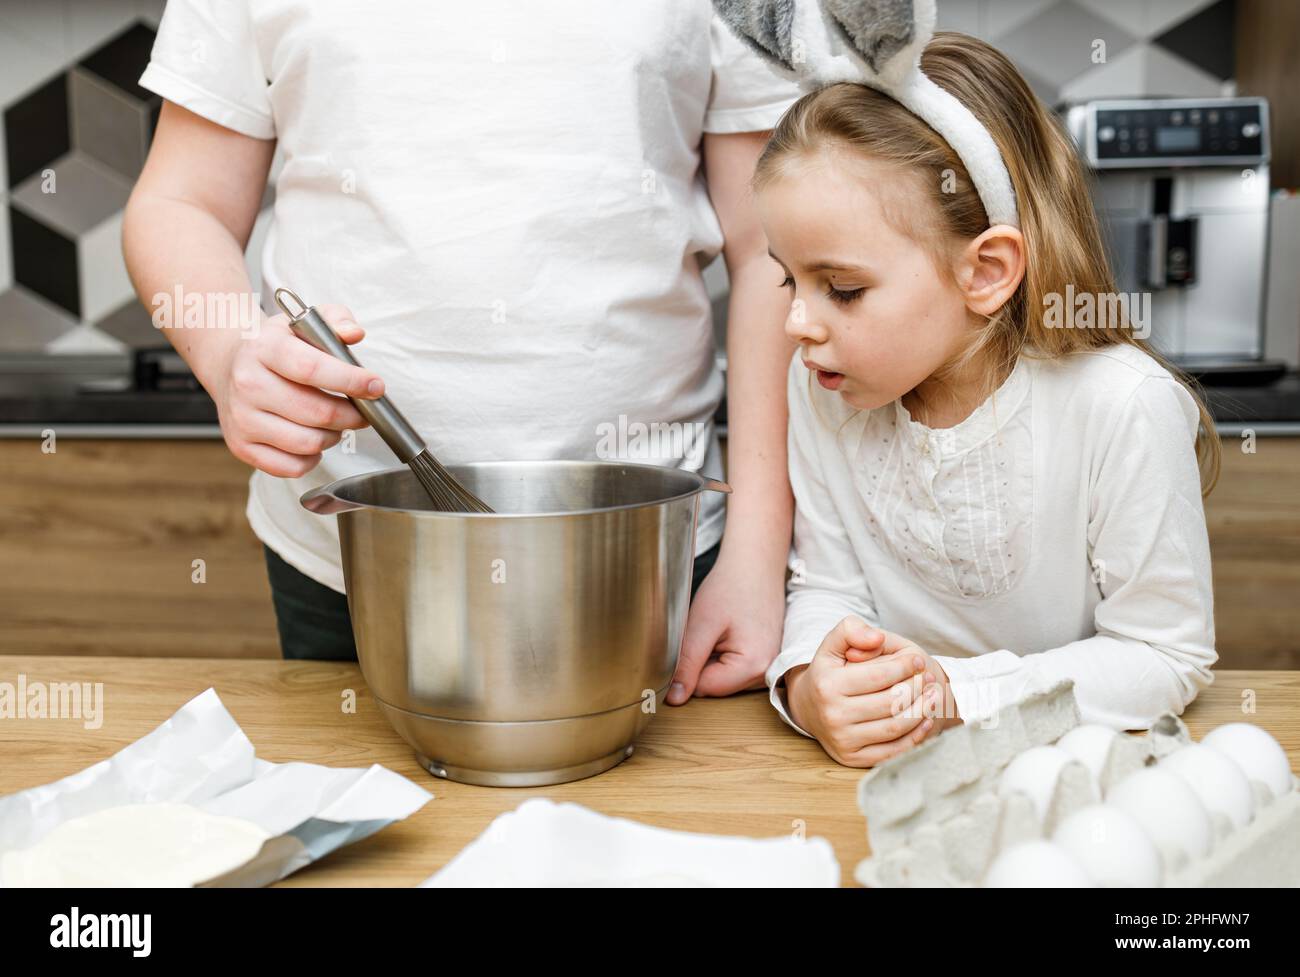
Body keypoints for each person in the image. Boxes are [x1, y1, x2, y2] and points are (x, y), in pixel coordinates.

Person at [123, 1, 800, 702]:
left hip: (654, 550)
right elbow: (182, 200)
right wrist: (228, 347)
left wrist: (755, 553)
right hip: (345, 547)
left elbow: (771, 251)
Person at [754, 32, 1219, 767]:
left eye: (841, 288)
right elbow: (828, 588)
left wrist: (959, 698)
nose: (797, 324)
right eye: (788, 279)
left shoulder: (1122, 407)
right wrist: (813, 683)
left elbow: (1163, 654)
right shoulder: (824, 389)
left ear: (986, 270)